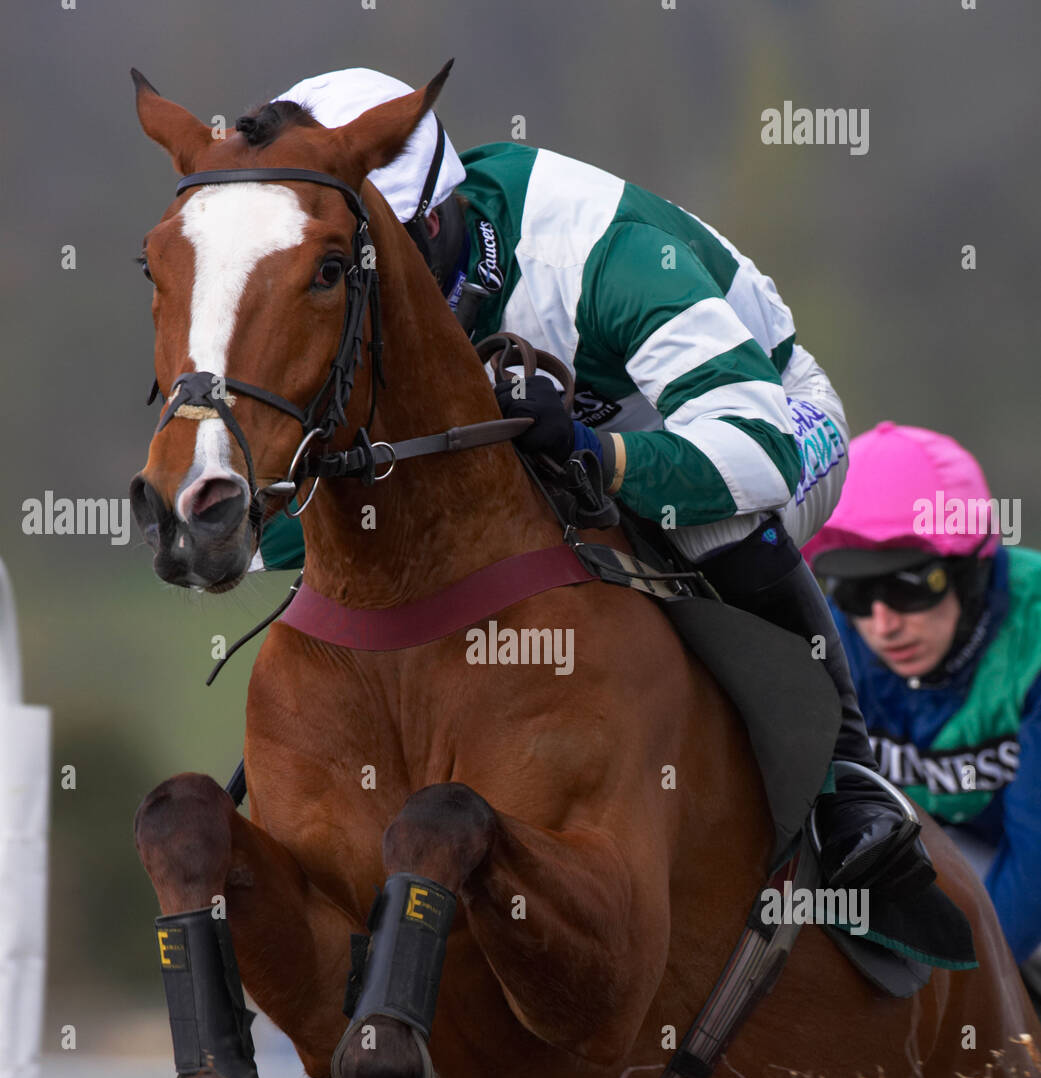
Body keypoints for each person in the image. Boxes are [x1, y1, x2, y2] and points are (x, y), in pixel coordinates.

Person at [248, 67, 934, 896]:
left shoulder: (605, 250)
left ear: (429, 220)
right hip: (553, 439)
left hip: (761, 421)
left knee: (701, 517)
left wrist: (593, 454)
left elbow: (757, 455)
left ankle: (849, 784)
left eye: (377, 258)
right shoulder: (390, 269)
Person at [804, 421, 1041, 990]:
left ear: (973, 572)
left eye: (911, 587)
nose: (883, 624)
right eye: (856, 592)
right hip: (941, 849)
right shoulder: (832, 639)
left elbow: (1035, 856)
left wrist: (957, 1004)